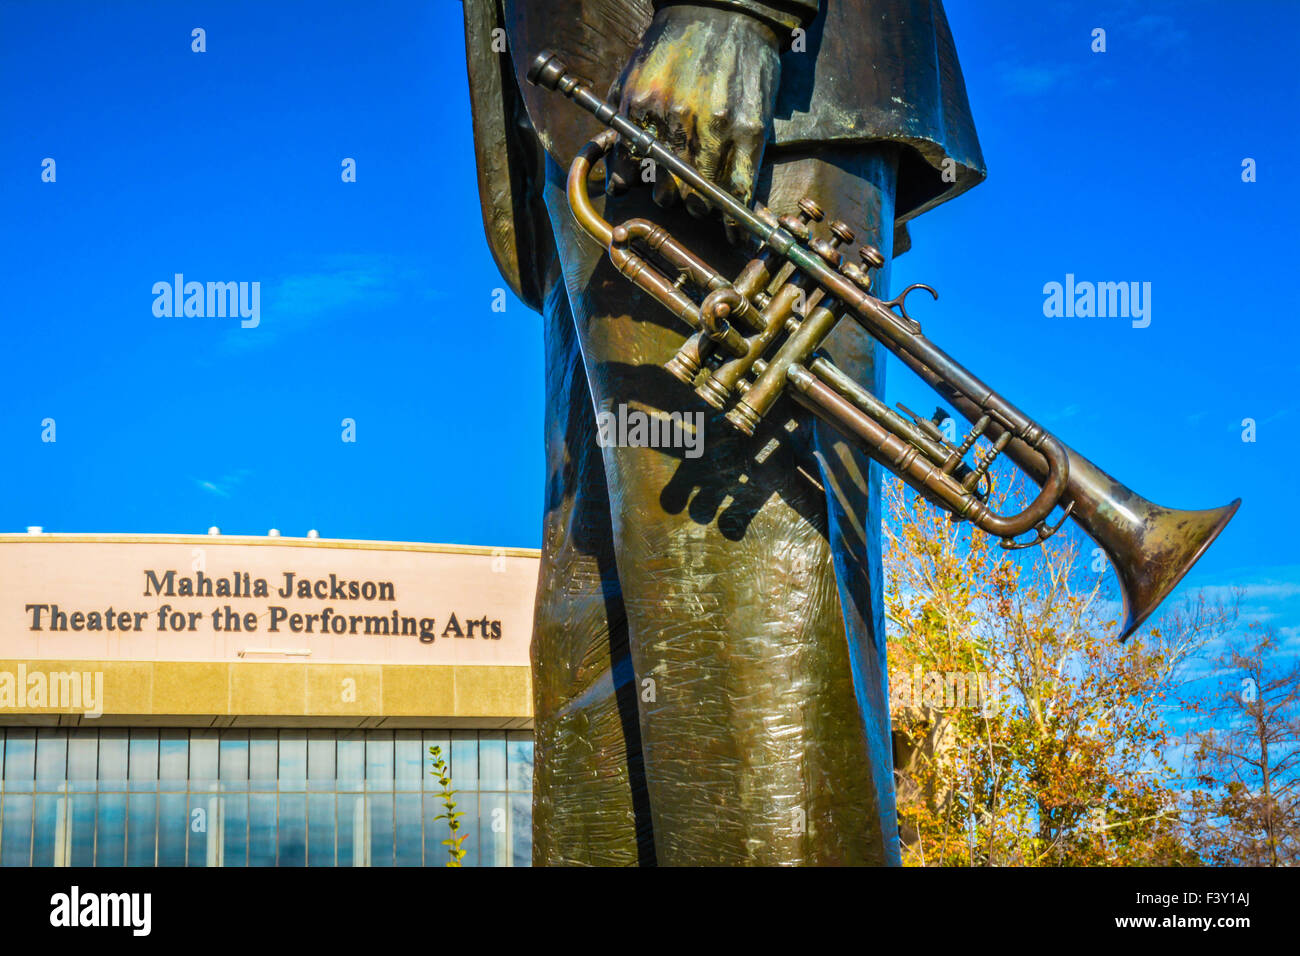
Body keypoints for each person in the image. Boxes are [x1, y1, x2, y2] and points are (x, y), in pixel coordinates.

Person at [460, 0, 985, 865]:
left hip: (723, 68)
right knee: (594, 691)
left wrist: (735, 8)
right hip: (579, 126)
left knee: (755, 694)